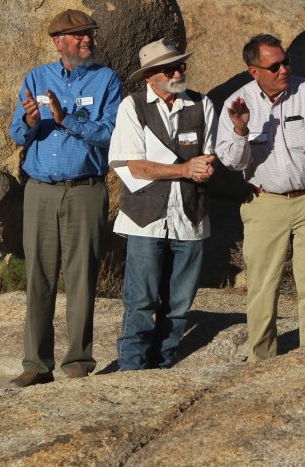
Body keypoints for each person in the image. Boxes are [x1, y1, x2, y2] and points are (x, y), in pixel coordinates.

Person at [8, 9, 122, 387]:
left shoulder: (106, 80)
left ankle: (78, 360)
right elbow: (17, 134)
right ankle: (36, 364)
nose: (87, 39)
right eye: (78, 35)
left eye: (89, 33)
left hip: (85, 190)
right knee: (38, 276)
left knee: (81, 277)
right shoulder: (36, 77)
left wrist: (66, 119)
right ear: (59, 42)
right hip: (40, 190)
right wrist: (29, 122)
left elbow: (111, 133)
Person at [215, 34, 305, 362]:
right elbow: (231, 162)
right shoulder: (238, 104)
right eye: (274, 66)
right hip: (265, 203)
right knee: (262, 284)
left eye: (286, 61)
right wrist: (241, 131)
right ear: (254, 71)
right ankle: (262, 361)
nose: (284, 69)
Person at [109, 39, 217, 370]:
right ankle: (132, 368)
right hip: (145, 218)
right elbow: (133, 166)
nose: (177, 73)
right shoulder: (132, 106)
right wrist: (185, 170)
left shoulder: (202, 104)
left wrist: (206, 167)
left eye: (180, 66)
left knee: (179, 303)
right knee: (141, 301)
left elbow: (209, 154)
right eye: (168, 70)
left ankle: (164, 366)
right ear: (149, 77)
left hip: (189, 215)